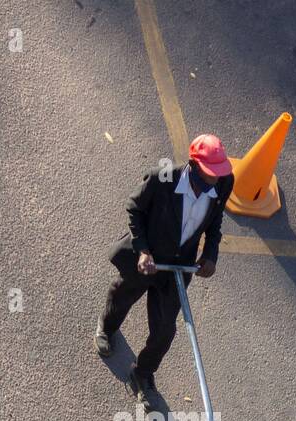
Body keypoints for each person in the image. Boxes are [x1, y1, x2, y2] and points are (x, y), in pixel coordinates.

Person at [95, 133, 234, 404]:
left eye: (219, 173)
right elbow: (134, 208)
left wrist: (210, 254)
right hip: (147, 259)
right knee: (123, 295)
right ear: (193, 165)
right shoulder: (161, 179)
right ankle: (106, 329)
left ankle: (142, 374)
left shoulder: (223, 184)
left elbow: (215, 223)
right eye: (210, 173)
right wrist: (143, 249)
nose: (215, 179)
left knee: (165, 330)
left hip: (177, 268)